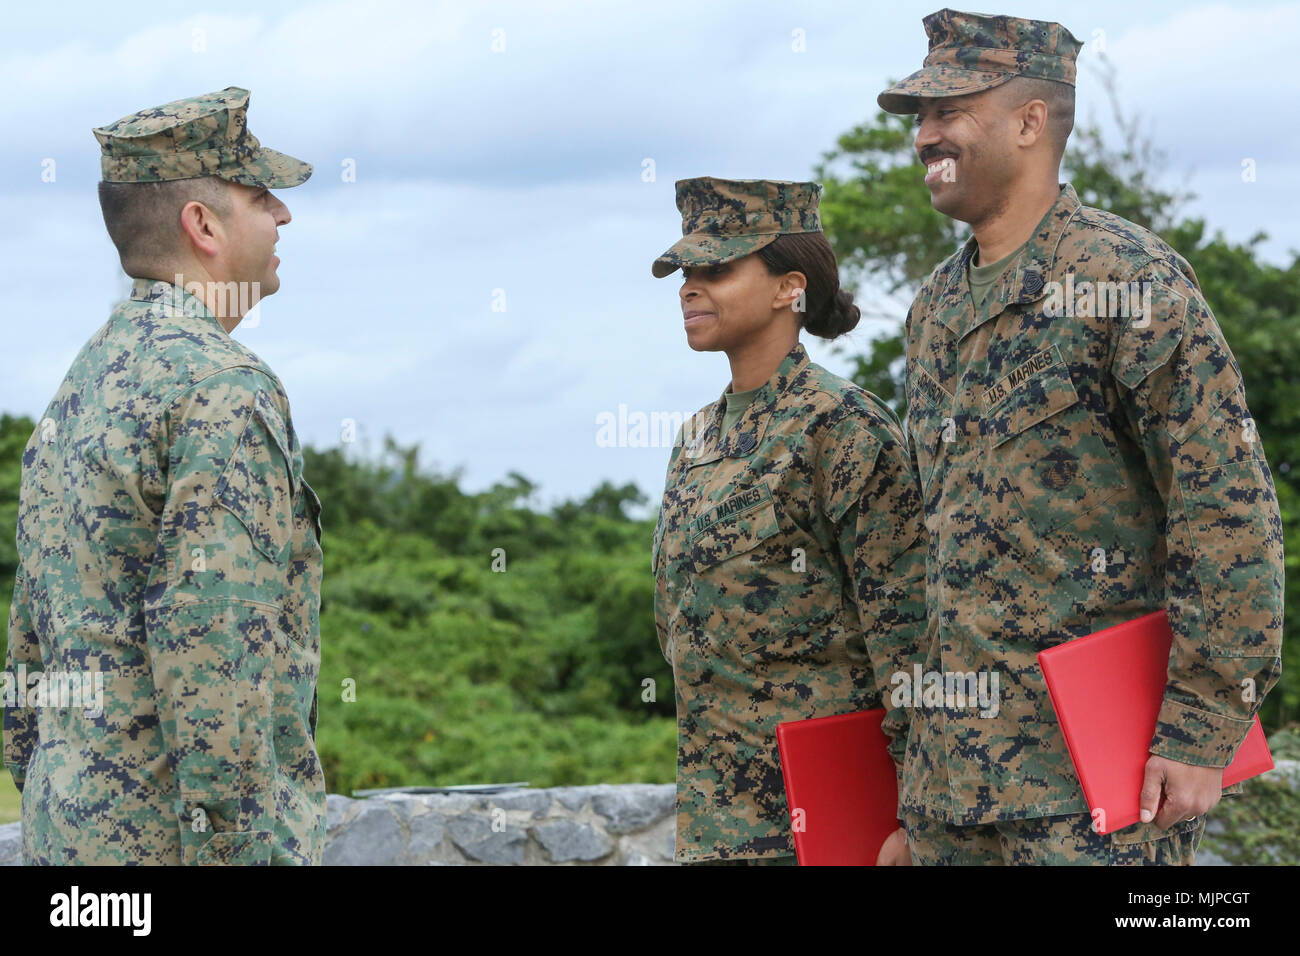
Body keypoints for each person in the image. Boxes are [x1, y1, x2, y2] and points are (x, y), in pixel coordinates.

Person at [877, 9, 1284, 864]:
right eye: (919, 117)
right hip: (952, 793)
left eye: (948, 111)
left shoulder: (1125, 280)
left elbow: (1226, 509)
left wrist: (1206, 722)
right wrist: (913, 791)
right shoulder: (933, 311)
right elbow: (928, 548)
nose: (925, 136)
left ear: (1030, 122)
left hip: (1094, 788)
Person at [3, 87, 326, 865]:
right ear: (203, 225)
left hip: (71, 842)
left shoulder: (82, 386)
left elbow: (26, 653)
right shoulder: (221, 387)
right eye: (259, 195)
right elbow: (213, 646)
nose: (283, 215)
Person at [651, 176, 927, 864]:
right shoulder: (697, 440)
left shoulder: (842, 428)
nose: (689, 287)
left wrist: (918, 818)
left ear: (789, 287)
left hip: (834, 824)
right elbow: (678, 630)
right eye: (686, 272)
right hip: (717, 826)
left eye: (715, 269)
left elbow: (910, 638)